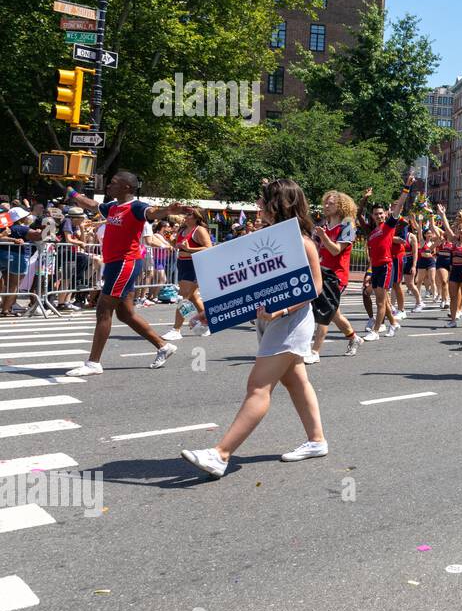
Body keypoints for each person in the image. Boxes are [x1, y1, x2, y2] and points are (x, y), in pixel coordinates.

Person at [180, 178, 327, 479]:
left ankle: (221, 454)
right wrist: (212, 312)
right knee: (296, 382)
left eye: (263, 200)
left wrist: (281, 310)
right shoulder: (267, 238)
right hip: (272, 322)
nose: (259, 206)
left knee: (258, 387)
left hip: (290, 323)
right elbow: (243, 286)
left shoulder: (302, 241)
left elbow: (313, 288)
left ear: (279, 205)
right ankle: (316, 441)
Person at [62, 173, 192, 377]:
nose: (108, 186)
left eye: (114, 183)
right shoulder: (112, 207)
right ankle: (163, 345)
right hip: (116, 263)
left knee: (104, 309)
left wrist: (168, 210)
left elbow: (153, 212)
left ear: (127, 188)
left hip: (125, 263)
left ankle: (93, 363)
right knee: (125, 313)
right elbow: (91, 205)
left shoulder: (137, 207)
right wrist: (72, 192)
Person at [308, 189, 362, 361]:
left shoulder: (348, 225)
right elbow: (318, 250)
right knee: (334, 314)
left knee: (324, 312)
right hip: (321, 272)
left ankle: (315, 351)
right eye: (326, 202)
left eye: (330, 203)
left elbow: (335, 250)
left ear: (340, 205)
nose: (326, 205)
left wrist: (323, 237)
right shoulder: (325, 224)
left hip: (336, 276)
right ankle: (354, 338)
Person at [358, 176, 413, 340]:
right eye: (376, 214)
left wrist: (406, 187)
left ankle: (375, 331)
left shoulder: (389, 226)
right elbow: (358, 213)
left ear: (385, 214)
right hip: (374, 267)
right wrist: (365, 199)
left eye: (381, 213)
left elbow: (400, 205)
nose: (379, 216)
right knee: (380, 299)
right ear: (373, 216)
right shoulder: (370, 231)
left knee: (381, 302)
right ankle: (394, 323)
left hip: (386, 266)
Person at [162, 208, 212, 341]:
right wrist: (169, 238)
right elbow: (176, 245)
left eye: (189, 214)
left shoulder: (199, 230)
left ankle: (176, 329)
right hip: (182, 263)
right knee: (193, 297)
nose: (186, 216)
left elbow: (209, 247)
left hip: (194, 265)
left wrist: (189, 249)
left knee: (183, 297)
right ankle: (208, 323)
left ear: (197, 217)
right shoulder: (182, 230)